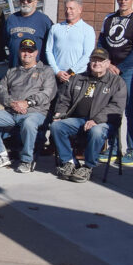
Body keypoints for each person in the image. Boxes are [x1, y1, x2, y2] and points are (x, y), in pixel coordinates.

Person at [50, 48, 127, 183]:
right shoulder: (78, 78)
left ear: (108, 63)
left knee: (96, 131)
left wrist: (96, 120)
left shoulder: (117, 82)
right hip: (78, 120)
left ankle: (88, 166)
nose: (97, 63)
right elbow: (64, 99)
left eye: (101, 61)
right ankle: (69, 162)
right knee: (57, 126)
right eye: (94, 60)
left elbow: (116, 107)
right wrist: (59, 113)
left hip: (103, 122)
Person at [0, 39, 56, 173]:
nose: (27, 54)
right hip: (12, 112)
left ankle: (27, 160)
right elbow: (1, 91)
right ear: (19, 52)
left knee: (29, 124)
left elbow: (48, 93)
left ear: (36, 53)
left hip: (35, 113)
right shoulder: (11, 71)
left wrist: (28, 102)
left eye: (30, 51)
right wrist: (12, 103)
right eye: (24, 50)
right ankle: (1, 155)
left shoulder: (46, 71)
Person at [98, 0, 133, 167]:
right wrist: (107, 63)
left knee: (130, 109)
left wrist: (121, 67)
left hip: (130, 72)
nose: (123, 1)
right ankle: (113, 148)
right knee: (111, 108)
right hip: (110, 69)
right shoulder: (109, 18)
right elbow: (101, 43)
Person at [45, 0, 95, 84]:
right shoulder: (55, 28)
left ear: (80, 10)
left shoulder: (88, 30)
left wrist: (71, 72)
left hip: (78, 76)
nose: (68, 11)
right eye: (66, 8)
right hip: (57, 76)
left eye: (71, 8)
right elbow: (48, 50)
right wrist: (57, 71)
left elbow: (88, 55)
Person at [4, 0, 53, 67]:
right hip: (14, 69)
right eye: (23, 0)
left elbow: (51, 44)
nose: (25, 2)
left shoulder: (44, 20)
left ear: (35, 2)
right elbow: (4, 41)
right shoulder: (11, 19)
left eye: (29, 0)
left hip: (35, 71)